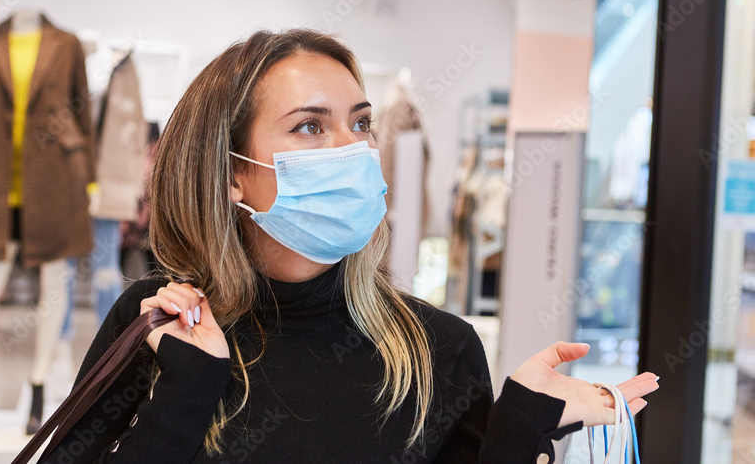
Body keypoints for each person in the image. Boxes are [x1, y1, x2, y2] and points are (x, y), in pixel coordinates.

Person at [40, 29, 658, 463]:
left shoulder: (438, 348)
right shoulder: (159, 320)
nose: (353, 148)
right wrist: (187, 390)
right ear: (232, 173)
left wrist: (520, 427)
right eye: (311, 126)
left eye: (360, 123)